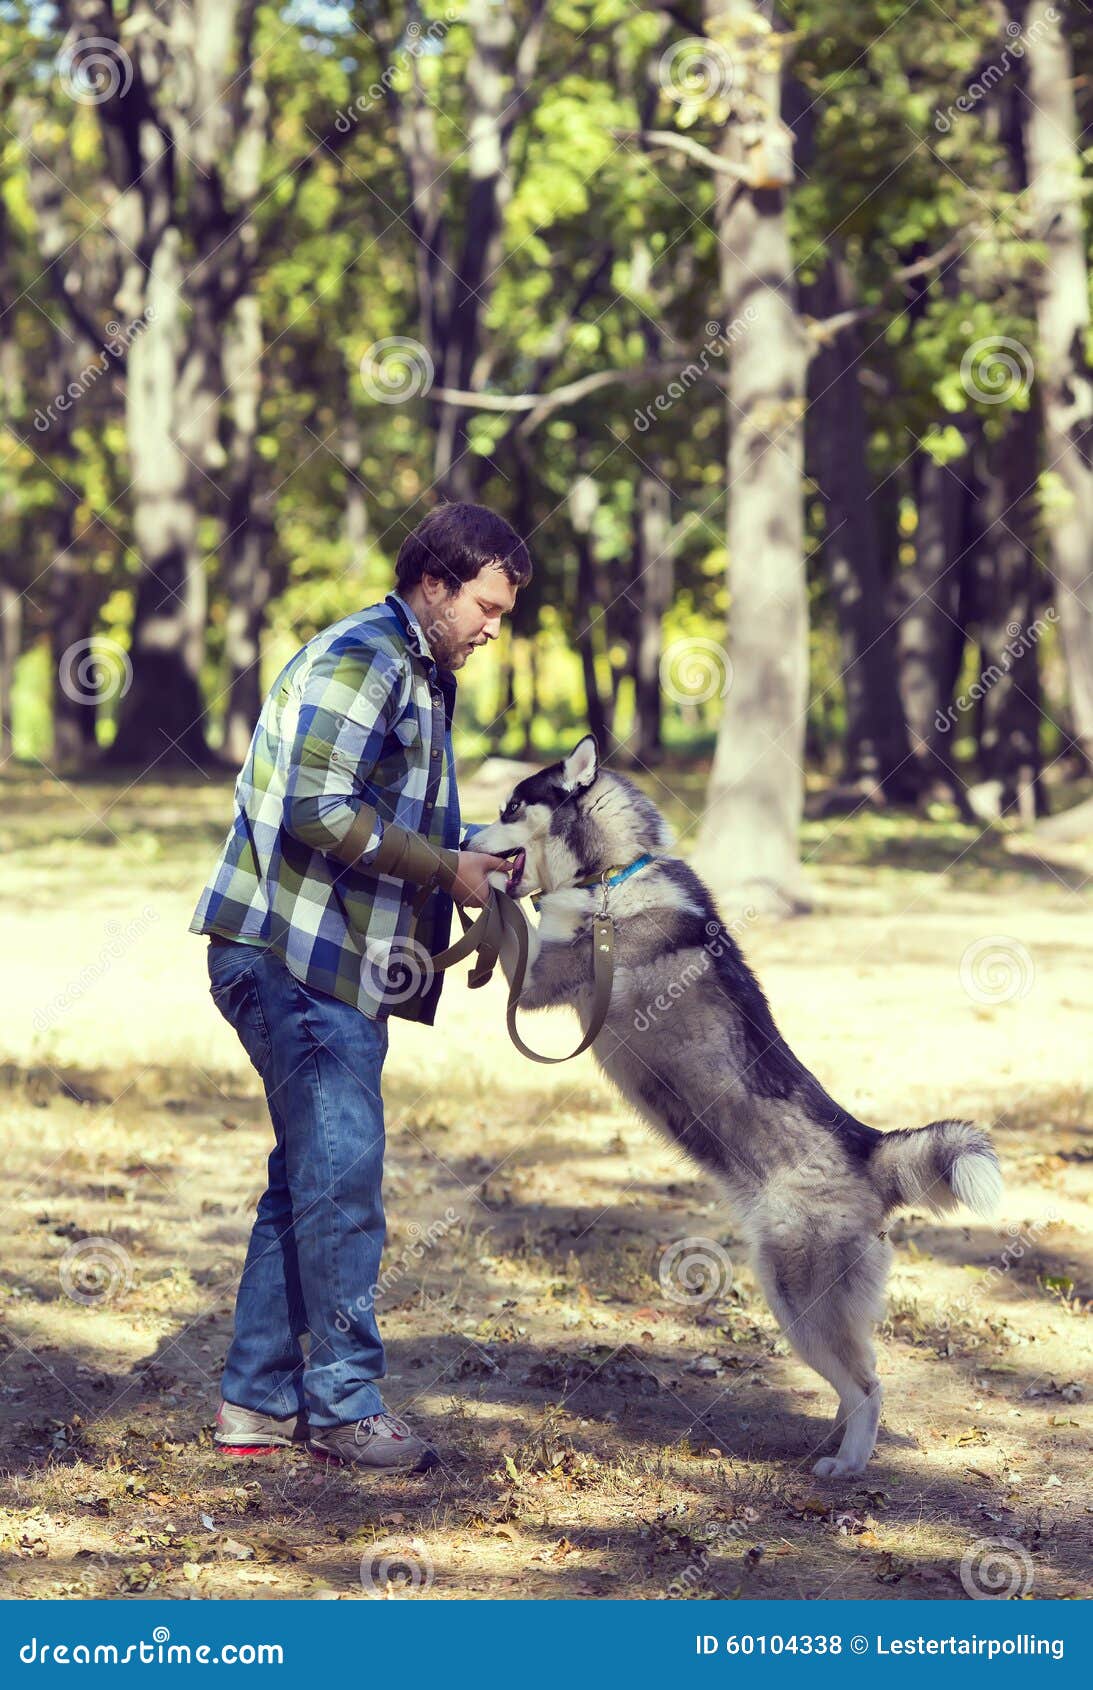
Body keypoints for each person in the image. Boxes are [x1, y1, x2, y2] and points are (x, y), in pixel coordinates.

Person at [189, 500, 530, 1470]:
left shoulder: (417, 668)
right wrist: (442, 869)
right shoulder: (369, 657)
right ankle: (342, 1405)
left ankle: (254, 1403)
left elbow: (378, 814)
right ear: (434, 584)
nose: (492, 628)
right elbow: (314, 807)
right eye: (485, 606)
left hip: (330, 958)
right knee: (342, 1182)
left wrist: (467, 864)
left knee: (308, 1175)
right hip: (294, 956)